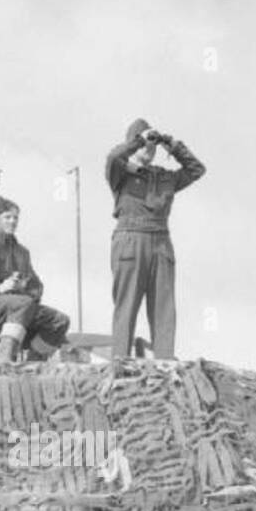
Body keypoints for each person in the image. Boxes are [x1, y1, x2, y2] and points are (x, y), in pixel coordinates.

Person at [105, 118, 205, 359]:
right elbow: (113, 157)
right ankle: (119, 364)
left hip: (161, 242)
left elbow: (196, 170)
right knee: (126, 305)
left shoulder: (165, 178)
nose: (147, 149)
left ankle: (164, 365)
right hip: (130, 240)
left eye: (151, 146)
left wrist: (171, 144)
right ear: (132, 144)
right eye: (141, 145)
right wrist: (140, 139)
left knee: (164, 309)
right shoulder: (121, 173)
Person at [0, 196, 70, 364]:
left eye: (16, 218)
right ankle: (4, 359)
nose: (13, 221)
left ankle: (33, 362)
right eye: (8, 217)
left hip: (20, 306)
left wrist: (23, 286)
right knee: (22, 303)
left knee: (60, 321)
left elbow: (37, 287)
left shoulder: (21, 252)